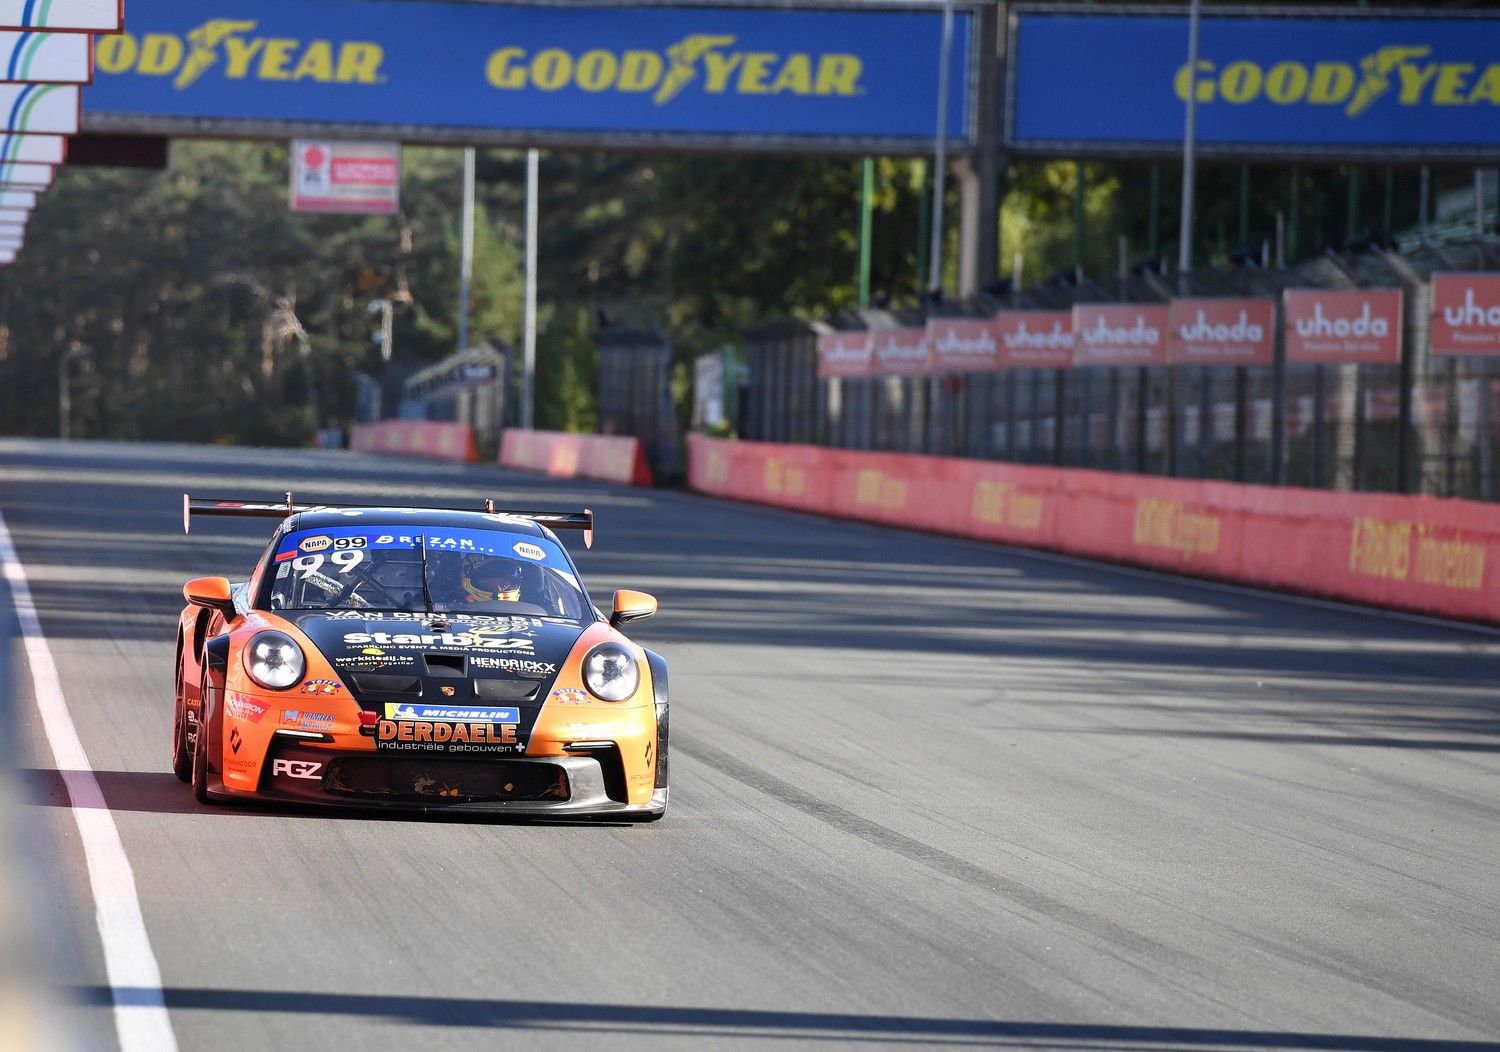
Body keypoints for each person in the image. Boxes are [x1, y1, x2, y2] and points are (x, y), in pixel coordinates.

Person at [458, 554, 526, 604]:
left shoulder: (529, 610)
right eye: (489, 582)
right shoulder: (452, 608)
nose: (497, 589)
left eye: (504, 583)